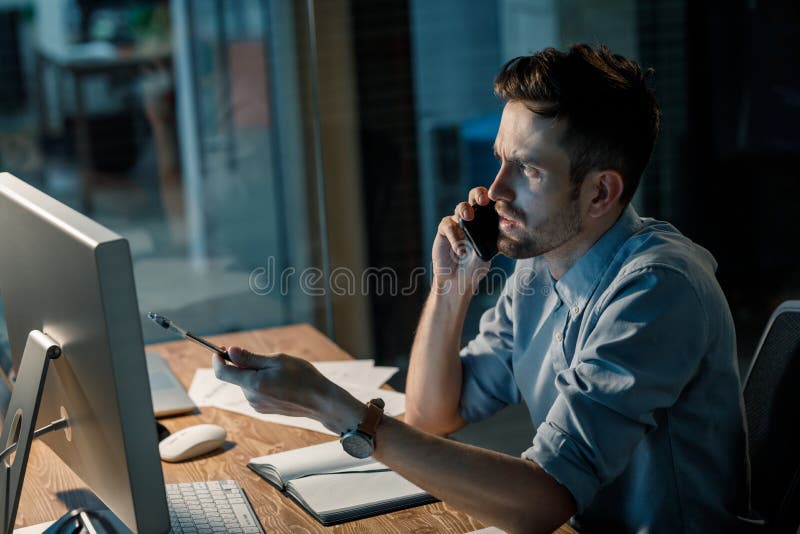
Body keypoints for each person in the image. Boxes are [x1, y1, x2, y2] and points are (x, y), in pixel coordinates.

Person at [212, 44, 750, 533]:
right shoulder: (539, 267)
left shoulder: (657, 291)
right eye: (500, 160)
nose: (496, 191)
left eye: (529, 169)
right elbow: (434, 413)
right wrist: (452, 286)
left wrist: (334, 406)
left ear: (599, 193)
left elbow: (544, 501)